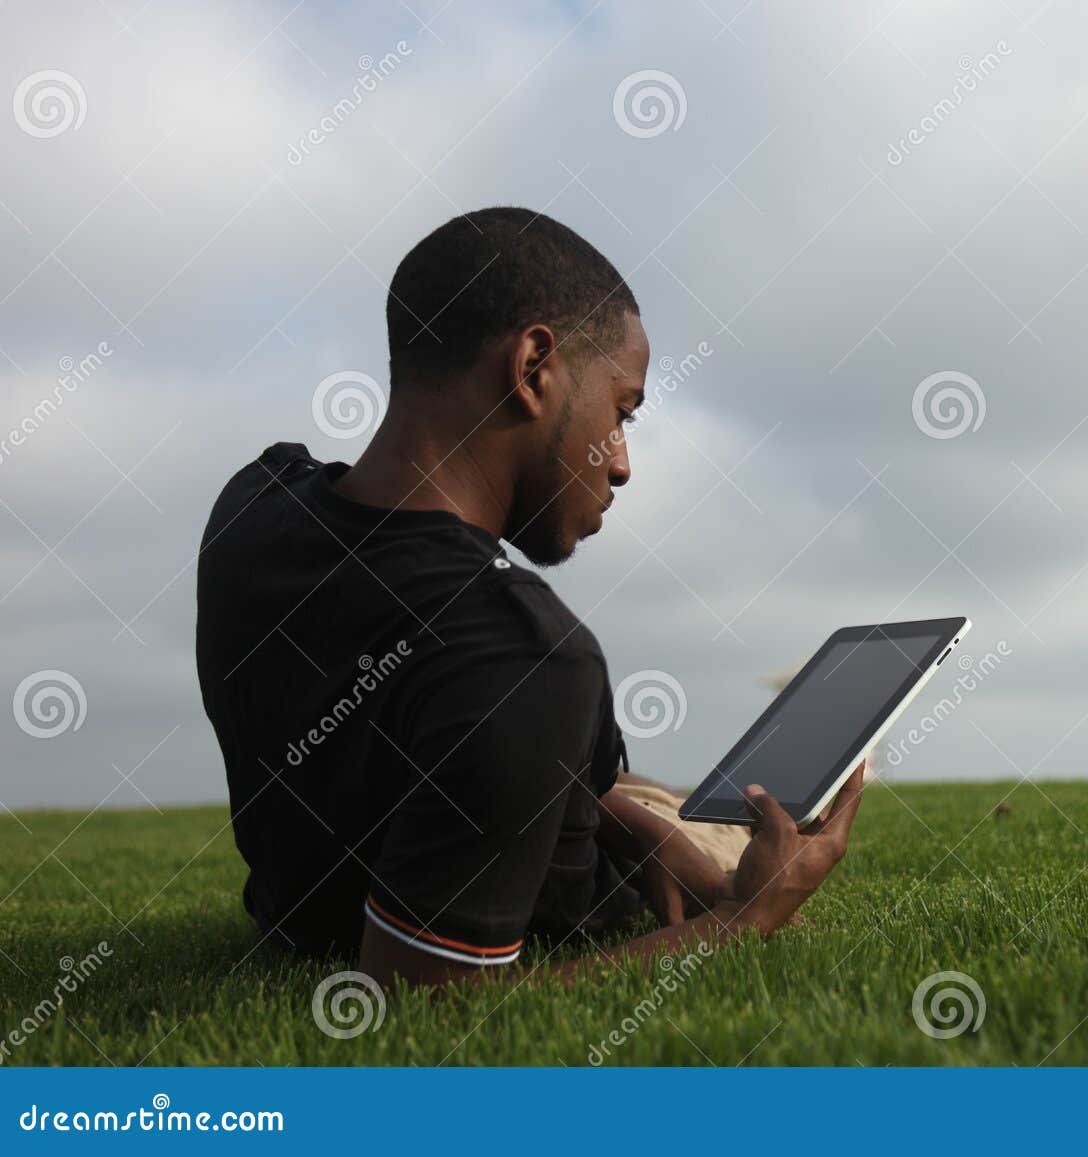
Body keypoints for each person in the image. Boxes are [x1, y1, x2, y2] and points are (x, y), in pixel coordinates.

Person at [195, 207, 861, 989]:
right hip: (530, 897)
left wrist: (636, 829)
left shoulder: (257, 502)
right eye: (621, 411)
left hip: (294, 910)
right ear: (534, 366)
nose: (621, 463)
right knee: (718, 824)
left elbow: (405, 746)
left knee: (641, 797)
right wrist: (739, 922)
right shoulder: (523, 652)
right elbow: (429, 1002)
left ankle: (640, 809)